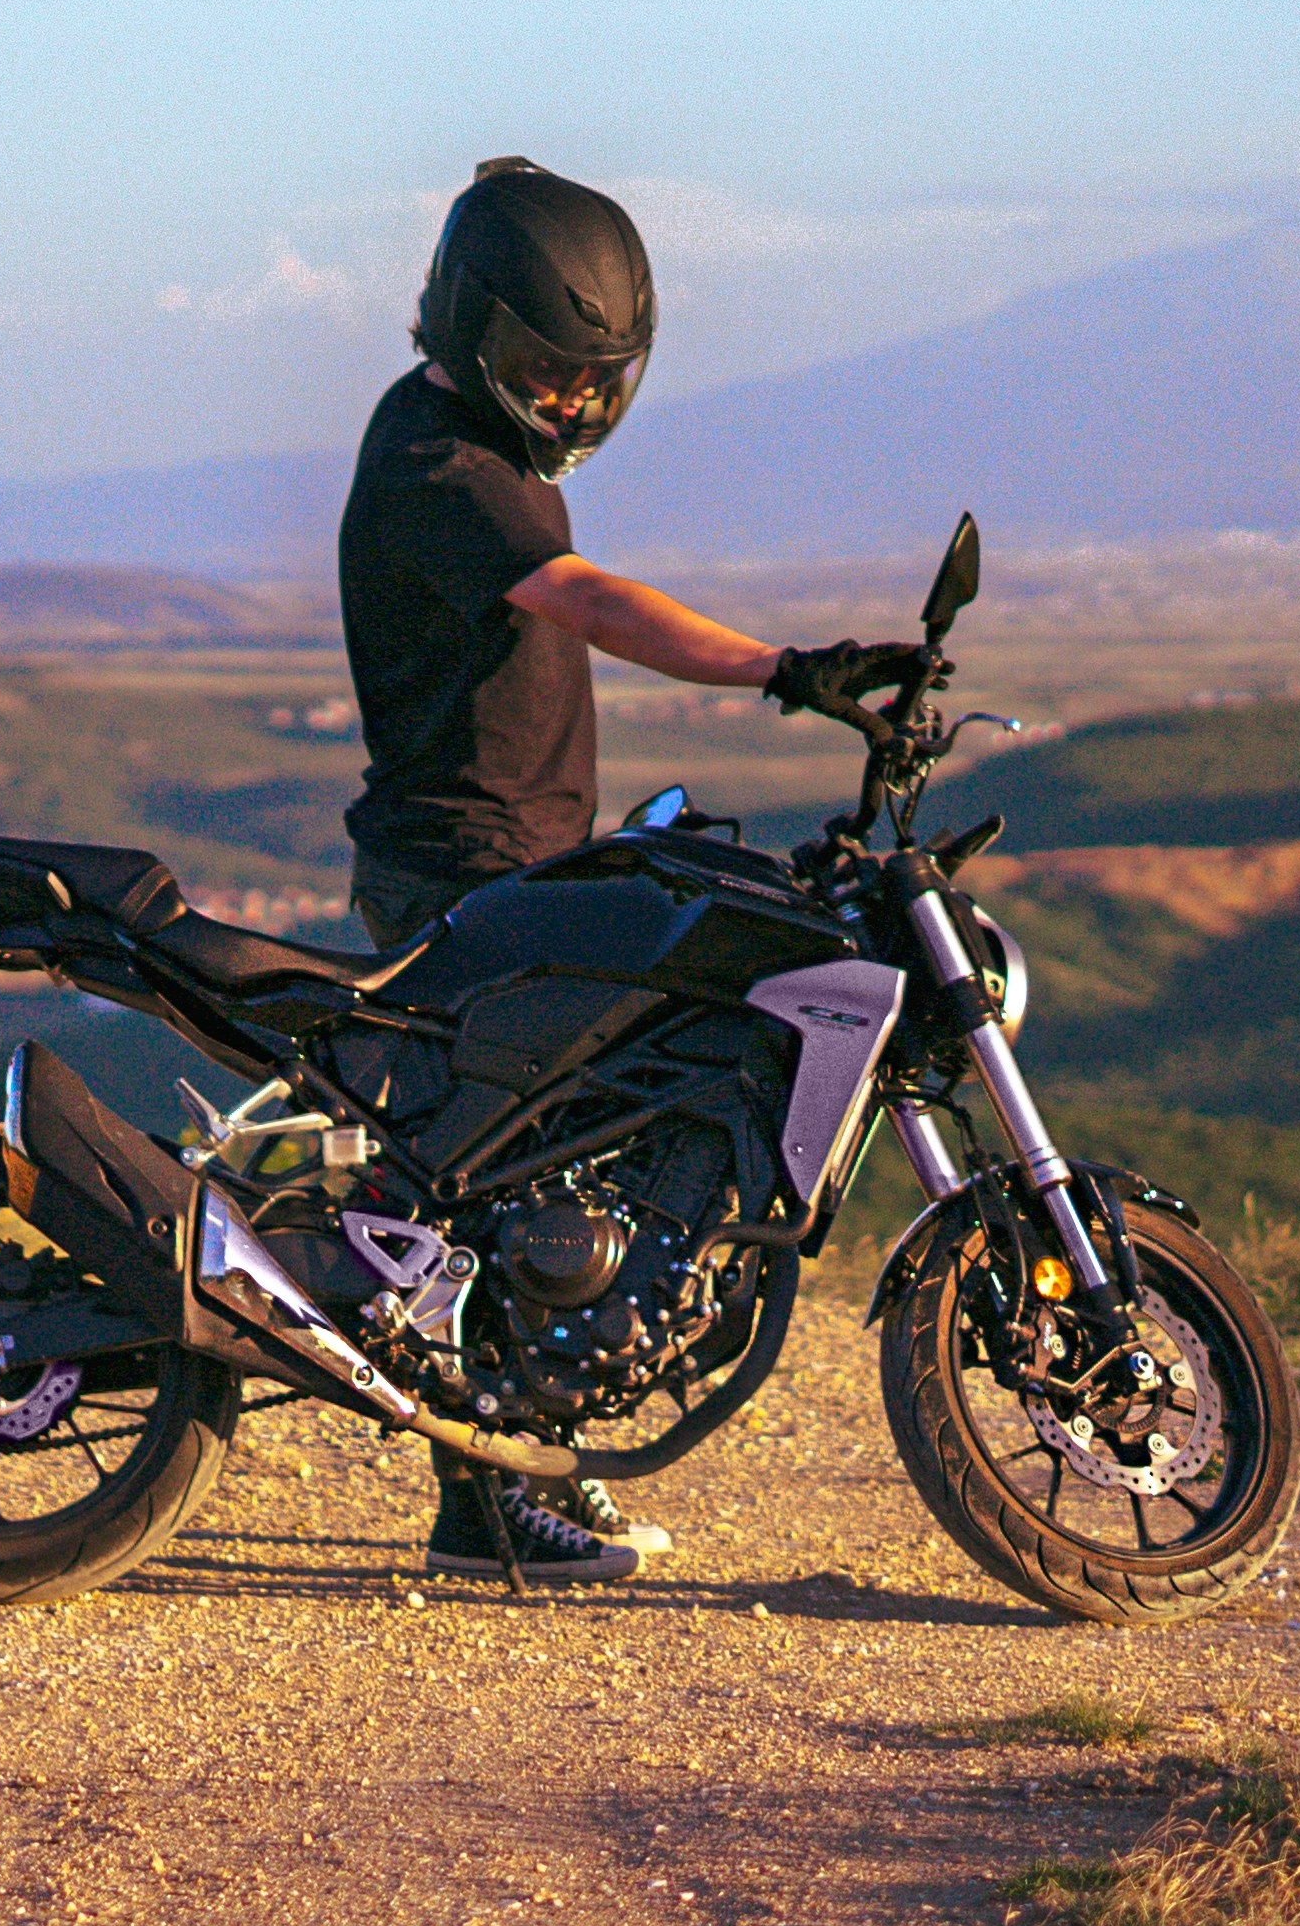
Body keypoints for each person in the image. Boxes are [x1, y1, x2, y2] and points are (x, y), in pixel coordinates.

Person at [337, 156, 933, 1581]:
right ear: (469, 329)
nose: (570, 404)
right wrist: (782, 669)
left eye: (597, 378)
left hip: (519, 852)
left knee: (561, 1162)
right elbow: (583, 599)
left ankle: (527, 1462)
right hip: (463, 868)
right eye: (545, 371)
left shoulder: (473, 447)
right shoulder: (440, 460)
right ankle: (488, 1503)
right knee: (489, 1191)